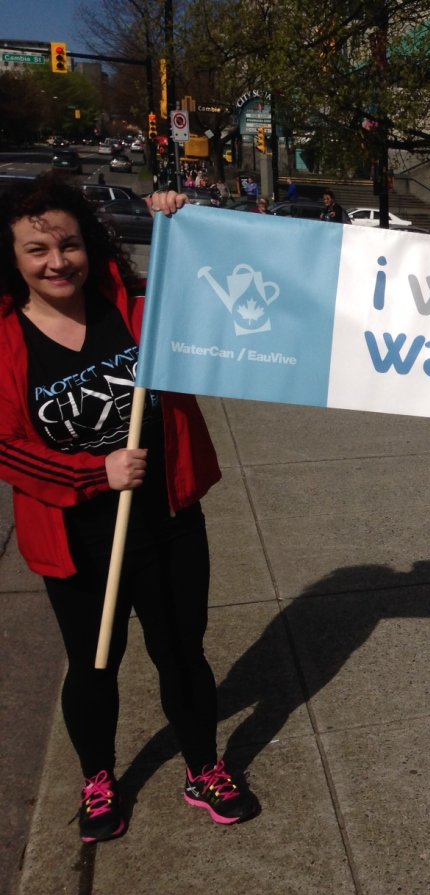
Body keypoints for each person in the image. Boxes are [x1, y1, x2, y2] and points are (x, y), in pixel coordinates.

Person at [0, 173, 261, 842]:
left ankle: (204, 767)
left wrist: (184, 224)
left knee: (182, 652)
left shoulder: (138, 306)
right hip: (77, 537)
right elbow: (7, 449)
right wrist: (95, 472)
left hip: (167, 522)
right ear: (14, 258)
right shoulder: (5, 340)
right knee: (95, 662)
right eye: (37, 250)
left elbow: (221, 303)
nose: (57, 262)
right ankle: (97, 777)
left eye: (68, 244)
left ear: (89, 245)